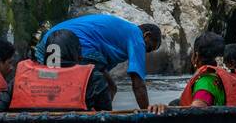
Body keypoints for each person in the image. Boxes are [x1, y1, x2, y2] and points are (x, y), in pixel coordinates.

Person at [34, 14, 164, 113]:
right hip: (76, 43)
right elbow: (138, 84)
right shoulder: (136, 36)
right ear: (146, 35)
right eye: (148, 48)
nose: (145, 52)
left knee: (57, 83)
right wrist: (147, 112)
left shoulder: (124, 32)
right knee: (107, 87)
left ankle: (90, 113)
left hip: (47, 41)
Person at [7, 29, 113, 111]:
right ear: (78, 53)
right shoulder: (93, 78)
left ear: (46, 54)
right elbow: (106, 116)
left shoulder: (22, 78)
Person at [179, 32, 236, 107]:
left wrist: (168, 108)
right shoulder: (229, 76)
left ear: (196, 56)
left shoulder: (205, 82)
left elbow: (197, 109)